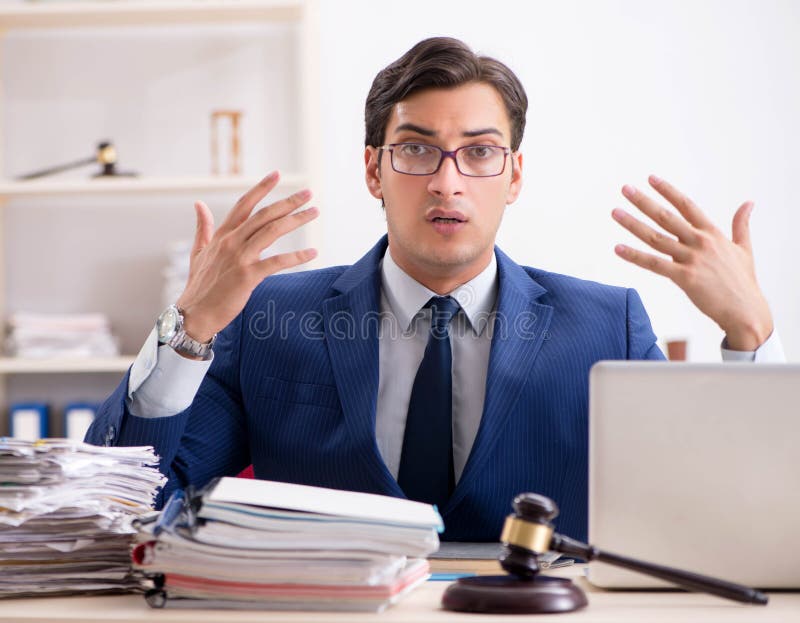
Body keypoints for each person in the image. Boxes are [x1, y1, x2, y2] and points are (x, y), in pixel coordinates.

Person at [86, 37, 780, 542]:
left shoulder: (607, 325)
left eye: (480, 152)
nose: (448, 182)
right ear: (373, 171)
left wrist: (751, 341)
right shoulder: (269, 315)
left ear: (513, 175)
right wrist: (189, 328)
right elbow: (130, 505)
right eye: (417, 149)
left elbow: (711, 512)